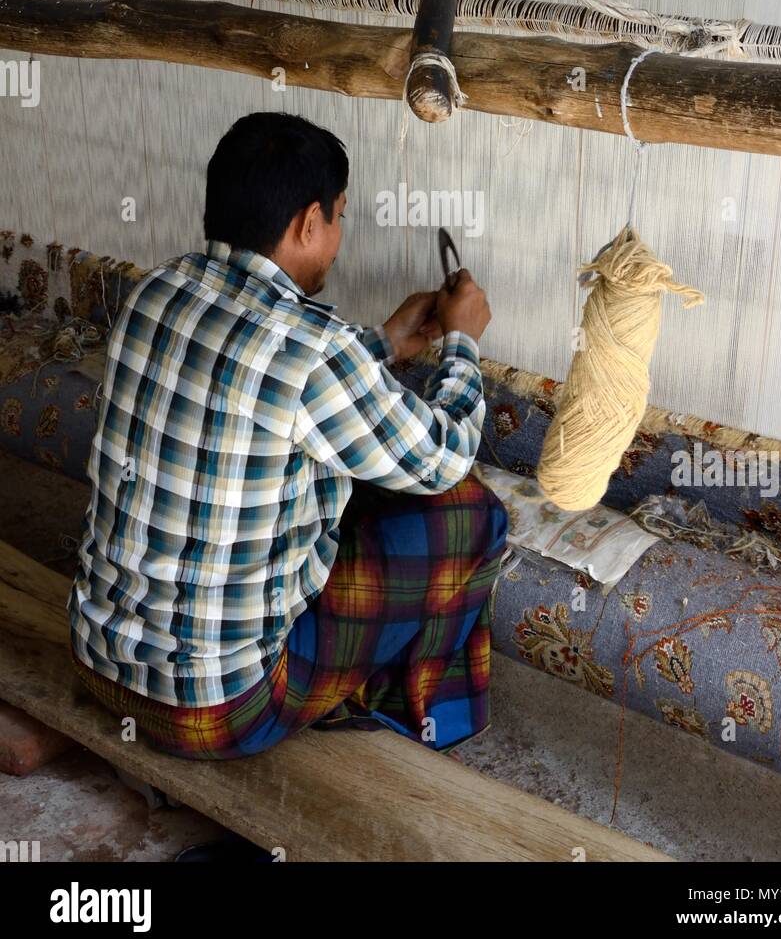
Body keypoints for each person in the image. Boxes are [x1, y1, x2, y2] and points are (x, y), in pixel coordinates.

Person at [68, 111, 507, 761]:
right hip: (220, 711)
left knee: (347, 483)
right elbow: (442, 456)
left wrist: (383, 343)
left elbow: (255, 374)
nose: (336, 237)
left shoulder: (156, 291)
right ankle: (409, 714)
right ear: (308, 222)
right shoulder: (312, 348)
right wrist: (463, 343)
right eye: (338, 217)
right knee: (467, 513)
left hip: (96, 662)